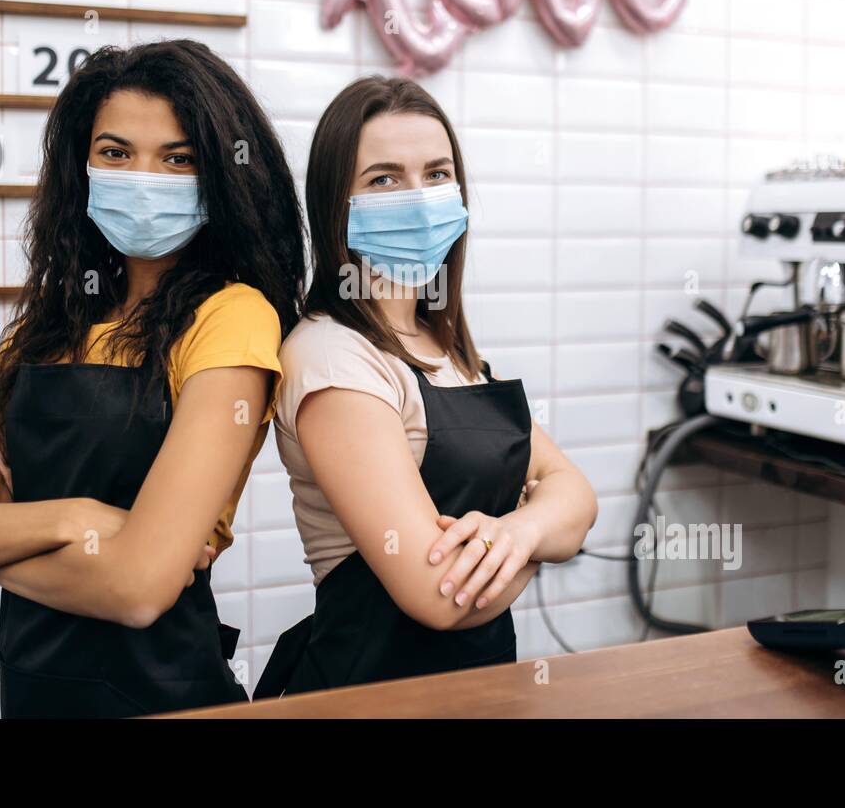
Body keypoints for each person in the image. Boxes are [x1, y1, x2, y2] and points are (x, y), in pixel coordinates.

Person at [0, 39, 306, 717]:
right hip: (32, 696)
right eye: (116, 153)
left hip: (166, 695)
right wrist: (82, 520)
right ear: (81, 168)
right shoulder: (43, 328)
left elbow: (139, 587)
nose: (145, 177)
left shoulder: (232, 317)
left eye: (179, 158)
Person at [255, 76, 597, 697]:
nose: (417, 197)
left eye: (437, 174)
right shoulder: (333, 357)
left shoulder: (452, 349)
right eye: (383, 179)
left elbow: (577, 497)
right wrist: (539, 531)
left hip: (480, 692)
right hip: (373, 696)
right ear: (337, 205)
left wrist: (515, 533)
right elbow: (439, 596)